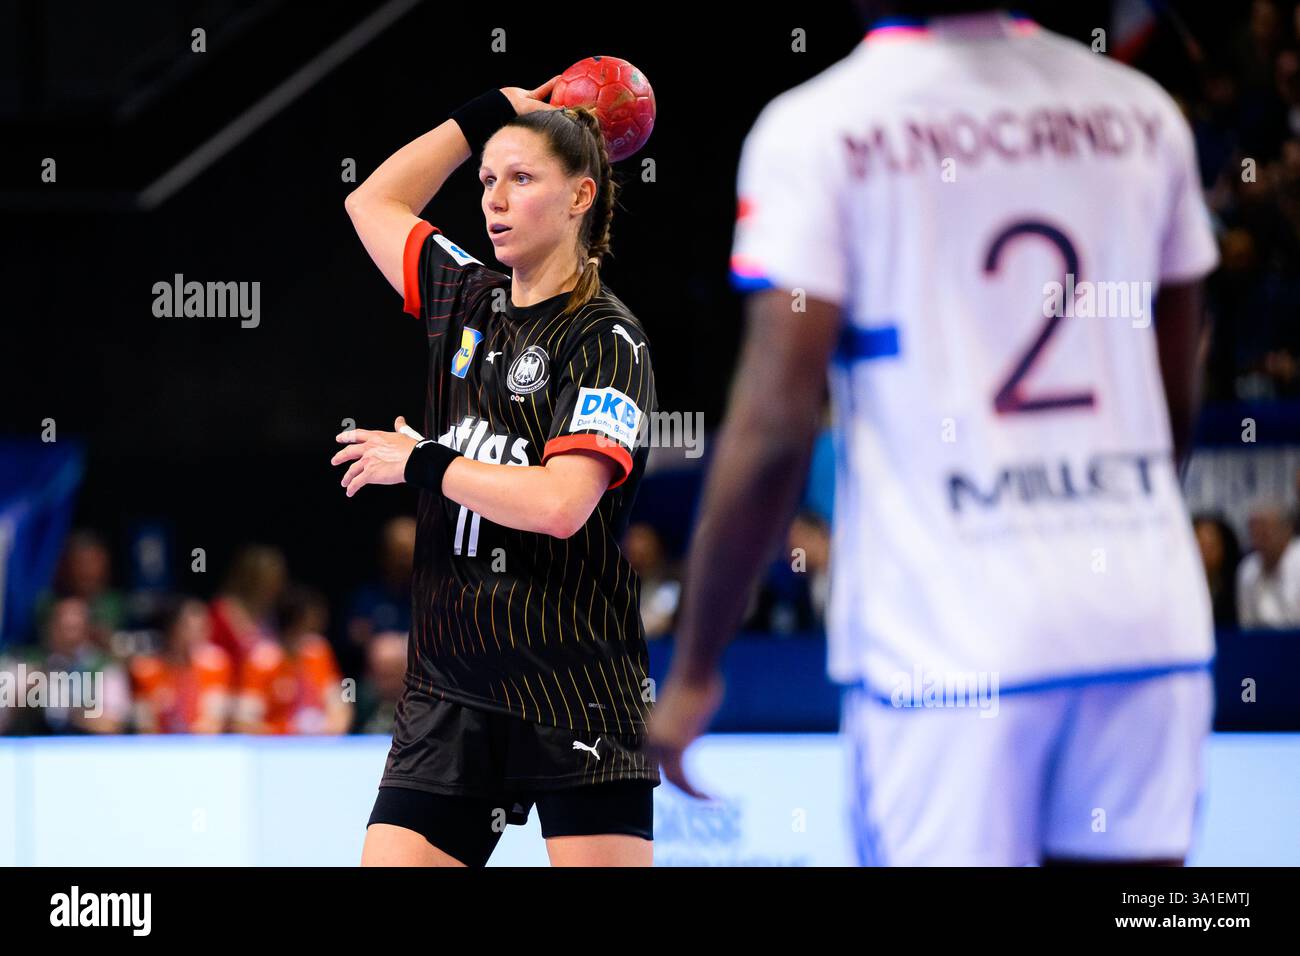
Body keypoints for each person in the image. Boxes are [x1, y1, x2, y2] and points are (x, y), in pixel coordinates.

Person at [649, 1, 1221, 866]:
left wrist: (693, 667)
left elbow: (775, 427)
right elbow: (1175, 386)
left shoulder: (821, 128)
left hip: (945, 645)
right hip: (1143, 621)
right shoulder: (1141, 112)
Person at [339, 77, 660, 866]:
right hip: (449, 690)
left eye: (522, 179)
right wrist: (484, 114)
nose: (495, 199)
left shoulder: (607, 339)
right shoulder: (465, 298)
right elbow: (372, 204)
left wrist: (423, 460)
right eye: (488, 180)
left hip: (575, 686)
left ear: (581, 194)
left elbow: (560, 504)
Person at [129, 597, 232, 734]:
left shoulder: (216, 666)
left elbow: (214, 723)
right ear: (171, 628)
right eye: (188, 628)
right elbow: (145, 728)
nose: (196, 636)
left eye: (202, 628)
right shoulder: (145, 670)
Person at [1236, 501, 1300, 627]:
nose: (1259, 540)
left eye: (1265, 532)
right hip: (1263, 644)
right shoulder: (1247, 569)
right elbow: (1247, 629)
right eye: (1254, 533)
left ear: (1286, 531)